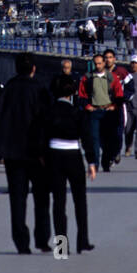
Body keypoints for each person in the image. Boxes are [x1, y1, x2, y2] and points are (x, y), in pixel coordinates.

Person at [0, 52, 52, 254]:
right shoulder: (40, 89)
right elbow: (48, 121)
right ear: (33, 68)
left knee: (17, 199)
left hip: (13, 153)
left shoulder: (7, 89)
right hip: (38, 154)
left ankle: (21, 243)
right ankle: (42, 239)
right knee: (42, 198)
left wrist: (0, 145)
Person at [45, 77, 97, 254]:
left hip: (54, 156)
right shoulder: (78, 112)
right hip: (73, 156)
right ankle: (83, 240)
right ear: (73, 92)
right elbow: (87, 138)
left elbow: (41, 137)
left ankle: (61, 247)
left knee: (59, 202)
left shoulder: (48, 111)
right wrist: (91, 161)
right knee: (79, 200)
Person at [78, 52, 124, 172]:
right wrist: (87, 106)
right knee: (94, 139)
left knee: (109, 139)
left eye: (99, 63)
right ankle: (96, 163)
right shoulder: (87, 78)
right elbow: (82, 95)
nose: (97, 66)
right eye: (95, 63)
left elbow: (119, 94)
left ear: (104, 63)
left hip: (108, 111)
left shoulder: (112, 77)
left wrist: (114, 106)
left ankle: (106, 161)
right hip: (94, 111)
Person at [102, 48, 131, 163]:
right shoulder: (99, 72)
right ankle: (108, 153)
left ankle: (117, 152)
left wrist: (124, 98)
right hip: (103, 105)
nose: (108, 60)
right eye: (106, 58)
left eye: (110, 57)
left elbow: (131, 87)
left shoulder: (121, 72)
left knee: (118, 131)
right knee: (105, 132)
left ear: (114, 59)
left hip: (118, 106)